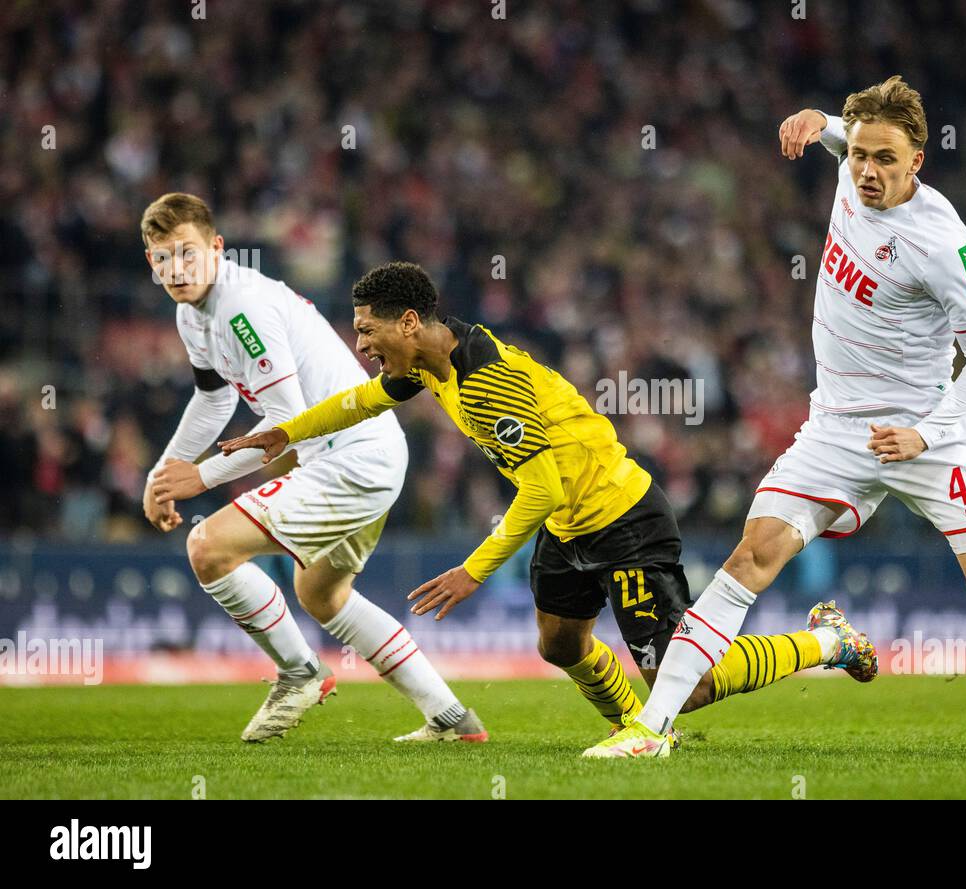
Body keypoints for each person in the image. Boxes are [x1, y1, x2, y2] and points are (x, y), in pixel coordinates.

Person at [588, 76, 966, 758]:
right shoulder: (851, 162)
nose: (867, 170)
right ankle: (650, 730)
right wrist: (816, 119)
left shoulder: (941, 241)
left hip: (927, 435)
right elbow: (842, 129)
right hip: (834, 429)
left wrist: (925, 430)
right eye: (859, 154)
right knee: (753, 554)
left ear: (917, 160)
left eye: (885, 159)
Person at [220, 261, 879, 743]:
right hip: (569, 526)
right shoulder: (425, 363)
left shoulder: (488, 384)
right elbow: (358, 401)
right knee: (560, 643)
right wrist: (286, 430)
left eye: (367, 331)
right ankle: (639, 726)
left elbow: (544, 488)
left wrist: (473, 570)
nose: (360, 345)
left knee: (690, 681)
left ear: (410, 322)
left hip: (622, 516)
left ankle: (829, 641)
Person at [141, 193, 484, 743]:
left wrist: (200, 478)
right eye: (162, 259)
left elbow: (288, 426)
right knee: (321, 595)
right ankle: (452, 720)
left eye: (187, 253)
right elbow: (212, 401)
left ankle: (299, 673)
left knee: (208, 547)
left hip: (350, 457)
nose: (176, 269)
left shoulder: (239, 306)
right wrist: (166, 473)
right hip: (365, 453)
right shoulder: (192, 315)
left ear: (217, 248)